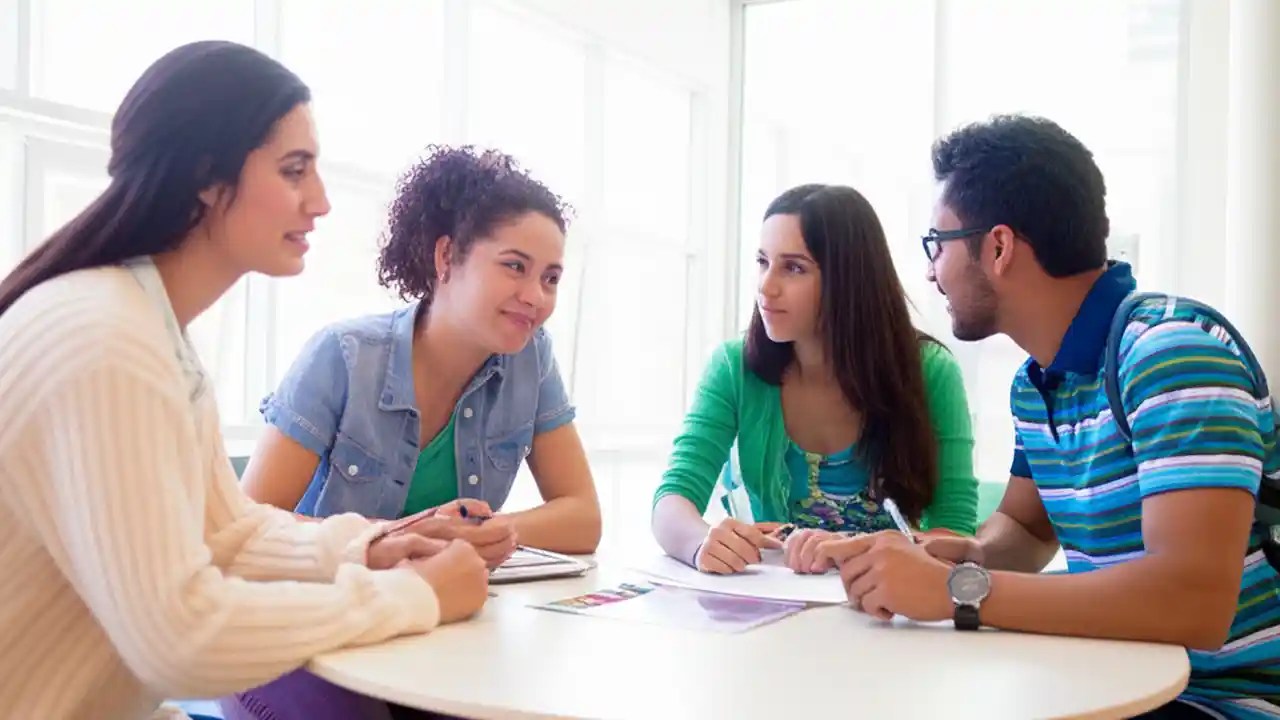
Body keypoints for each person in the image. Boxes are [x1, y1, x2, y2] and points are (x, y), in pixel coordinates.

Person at [0, 41, 489, 720]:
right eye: (294, 171)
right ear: (206, 175)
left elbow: (223, 534)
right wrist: (416, 597)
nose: (319, 201)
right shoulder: (107, 339)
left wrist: (365, 546)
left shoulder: (143, 325)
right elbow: (179, 635)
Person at [819, 114, 1280, 719]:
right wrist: (960, 556)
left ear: (1000, 247)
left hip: (1223, 701)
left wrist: (959, 593)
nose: (931, 272)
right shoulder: (1033, 384)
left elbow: (1193, 603)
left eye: (938, 244)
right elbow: (1028, 531)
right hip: (1112, 679)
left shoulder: (1170, 353)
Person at [239, 145, 601, 562]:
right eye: (515, 266)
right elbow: (250, 525)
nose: (536, 296)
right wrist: (410, 535)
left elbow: (583, 519)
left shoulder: (531, 360)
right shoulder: (343, 356)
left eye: (551, 277)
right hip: (326, 604)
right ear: (446, 256)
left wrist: (479, 536)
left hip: (443, 609)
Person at [651, 183, 979, 576]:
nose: (766, 287)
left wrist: (858, 548)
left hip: (893, 613)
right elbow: (673, 498)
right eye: (762, 262)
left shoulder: (932, 372)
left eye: (793, 268)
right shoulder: (732, 367)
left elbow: (956, 533)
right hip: (780, 606)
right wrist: (701, 542)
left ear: (849, 279)